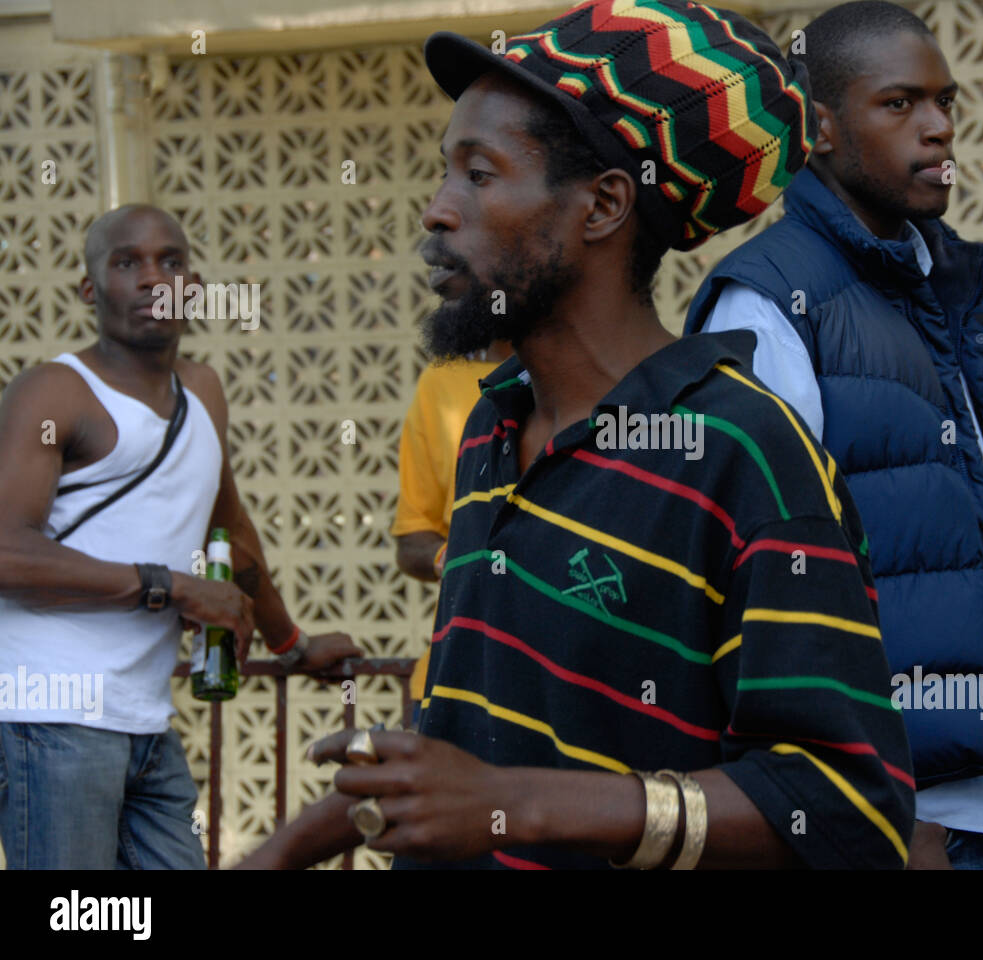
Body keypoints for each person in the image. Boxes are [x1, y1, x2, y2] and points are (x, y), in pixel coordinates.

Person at [237, 0, 913, 870]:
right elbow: (479, 726)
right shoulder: (494, 422)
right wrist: (282, 850)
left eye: (478, 175)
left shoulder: (745, 455)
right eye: (446, 174)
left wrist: (513, 807)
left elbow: (847, 808)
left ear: (601, 207)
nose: (437, 213)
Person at [685, 1, 983, 869]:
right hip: (914, 823)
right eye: (900, 105)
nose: (938, 129)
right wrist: (876, 817)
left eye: (946, 102)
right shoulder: (768, 300)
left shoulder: (943, 285)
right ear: (818, 127)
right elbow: (764, 580)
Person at [0, 204, 360, 869]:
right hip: (51, 717)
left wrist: (291, 644)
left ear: (192, 286)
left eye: (170, 261)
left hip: (145, 722)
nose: (151, 278)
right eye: (126, 262)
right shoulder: (54, 393)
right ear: (89, 290)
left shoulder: (203, 392)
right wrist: (171, 589)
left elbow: (230, 527)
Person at [392, 341, 511, 718]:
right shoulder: (440, 383)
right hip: (452, 683)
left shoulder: (616, 383)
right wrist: (457, 559)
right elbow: (412, 541)